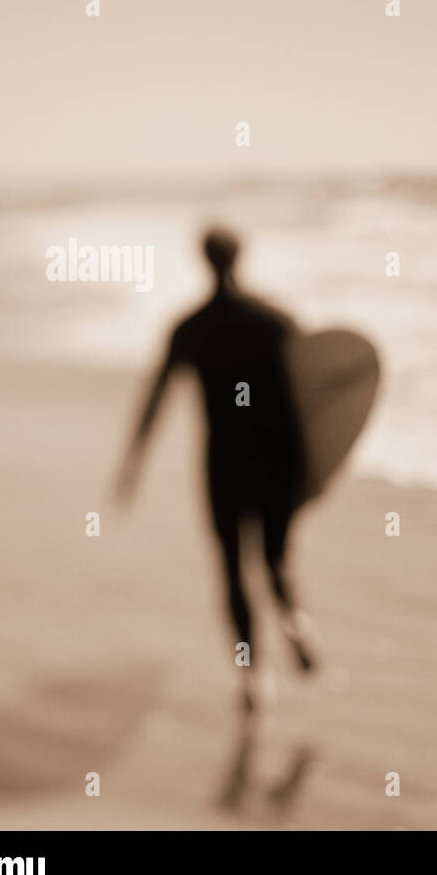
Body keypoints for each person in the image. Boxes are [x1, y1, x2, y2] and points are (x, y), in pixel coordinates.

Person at [116, 227, 318, 712]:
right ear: (240, 257)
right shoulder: (275, 321)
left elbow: (156, 399)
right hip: (276, 458)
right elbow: (316, 392)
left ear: (203, 261)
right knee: (274, 559)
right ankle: (294, 620)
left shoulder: (190, 328)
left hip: (224, 462)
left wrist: (131, 466)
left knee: (231, 571)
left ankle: (253, 677)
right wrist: (312, 467)